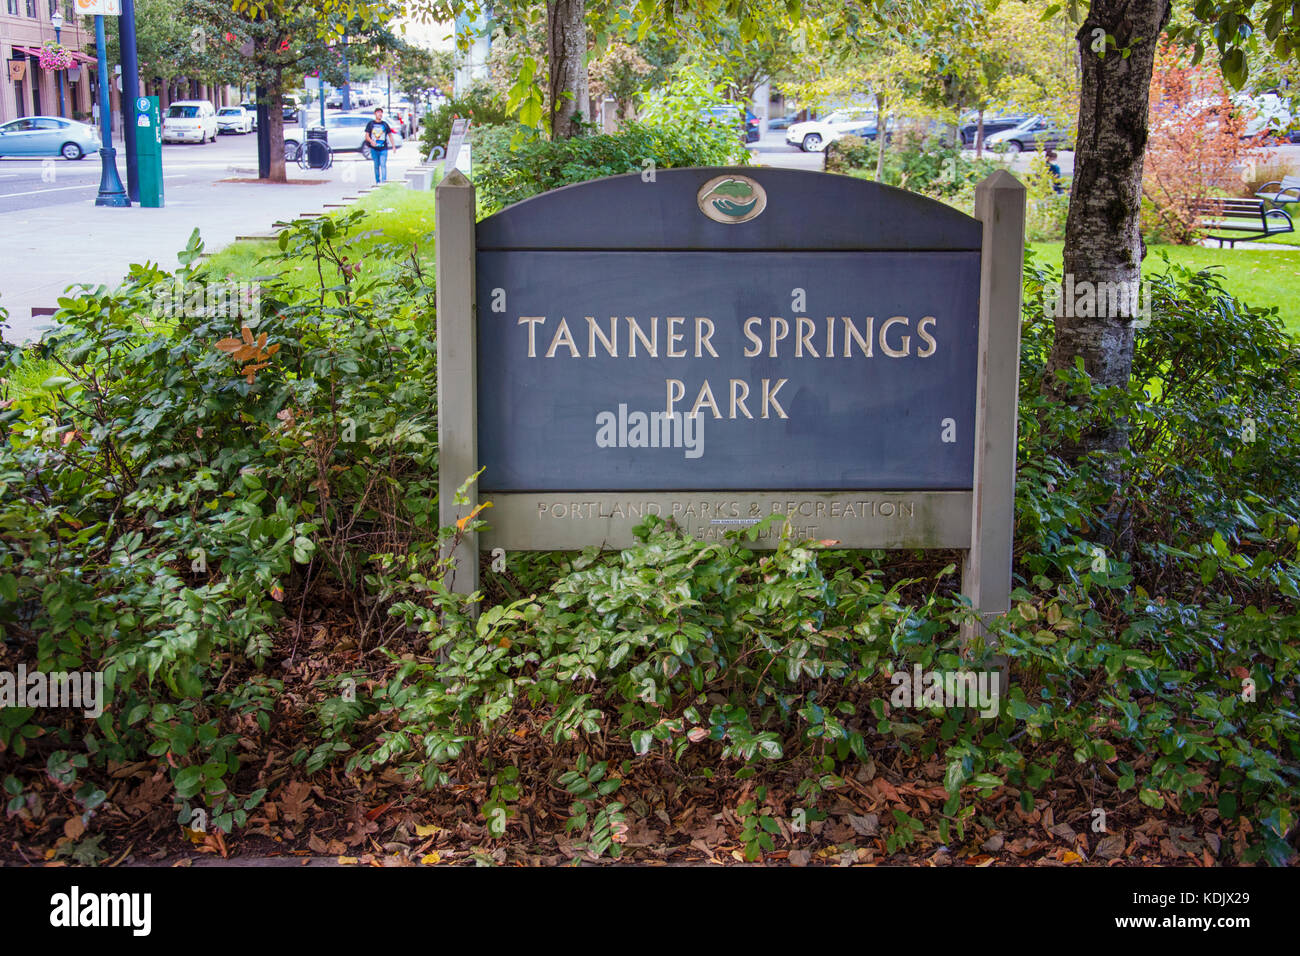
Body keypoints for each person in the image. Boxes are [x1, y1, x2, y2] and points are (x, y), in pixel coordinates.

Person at [364, 107, 396, 184]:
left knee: (383, 165)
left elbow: (390, 135)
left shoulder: (385, 124)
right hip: (374, 149)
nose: (380, 114)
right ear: (375, 114)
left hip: (383, 148)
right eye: (378, 112)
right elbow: (367, 136)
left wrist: (393, 146)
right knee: (376, 165)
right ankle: (377, 181)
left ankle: (383, 181)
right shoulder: (371, 124)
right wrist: (371, 141)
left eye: (381, 112)